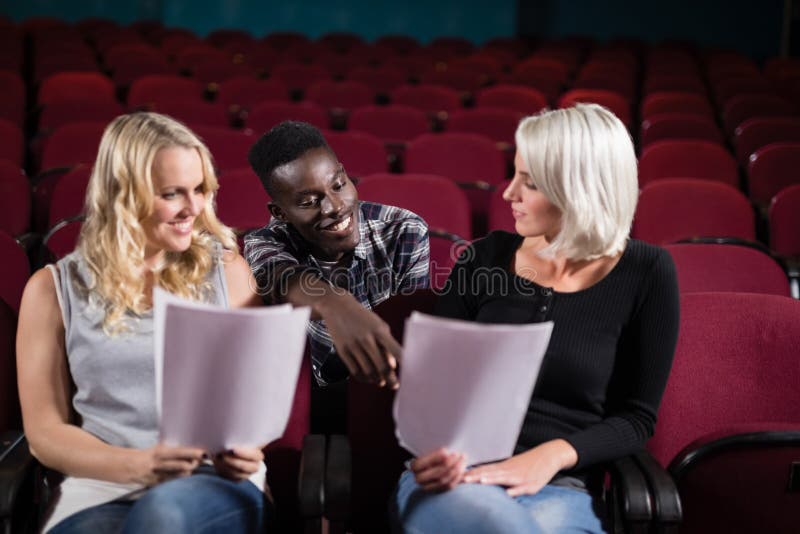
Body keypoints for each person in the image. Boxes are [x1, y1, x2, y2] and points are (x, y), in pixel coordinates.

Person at [392, 104, 680, 533]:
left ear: (578, 188)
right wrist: (436, 450)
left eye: (529, 183)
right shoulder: (483, 259)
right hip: (457, 475)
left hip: (561, 486)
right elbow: (434, 389)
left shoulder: (648, 272)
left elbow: (636, 418)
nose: (508, 194)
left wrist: (550, 457)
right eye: (514, 176)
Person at [17, 112, 270, 533]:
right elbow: (46, 433)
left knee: (163, 518)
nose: (194, 208)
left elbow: (258, 394)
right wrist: (141, 464)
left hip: (211, 478)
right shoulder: (51, 289)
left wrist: (249, 443)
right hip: (101, 483)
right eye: (173, 194)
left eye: (200, 190)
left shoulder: (227, 271)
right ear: (124, 195)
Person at [245, 121, 430, 389]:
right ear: (280, 213)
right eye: (309, 202)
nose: (335, 207)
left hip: (392, 389)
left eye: (339, 185)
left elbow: (411, 336)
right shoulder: (264, 242)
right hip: (314, 404)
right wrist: (336, 305)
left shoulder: (403, 229)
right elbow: (282, 279)